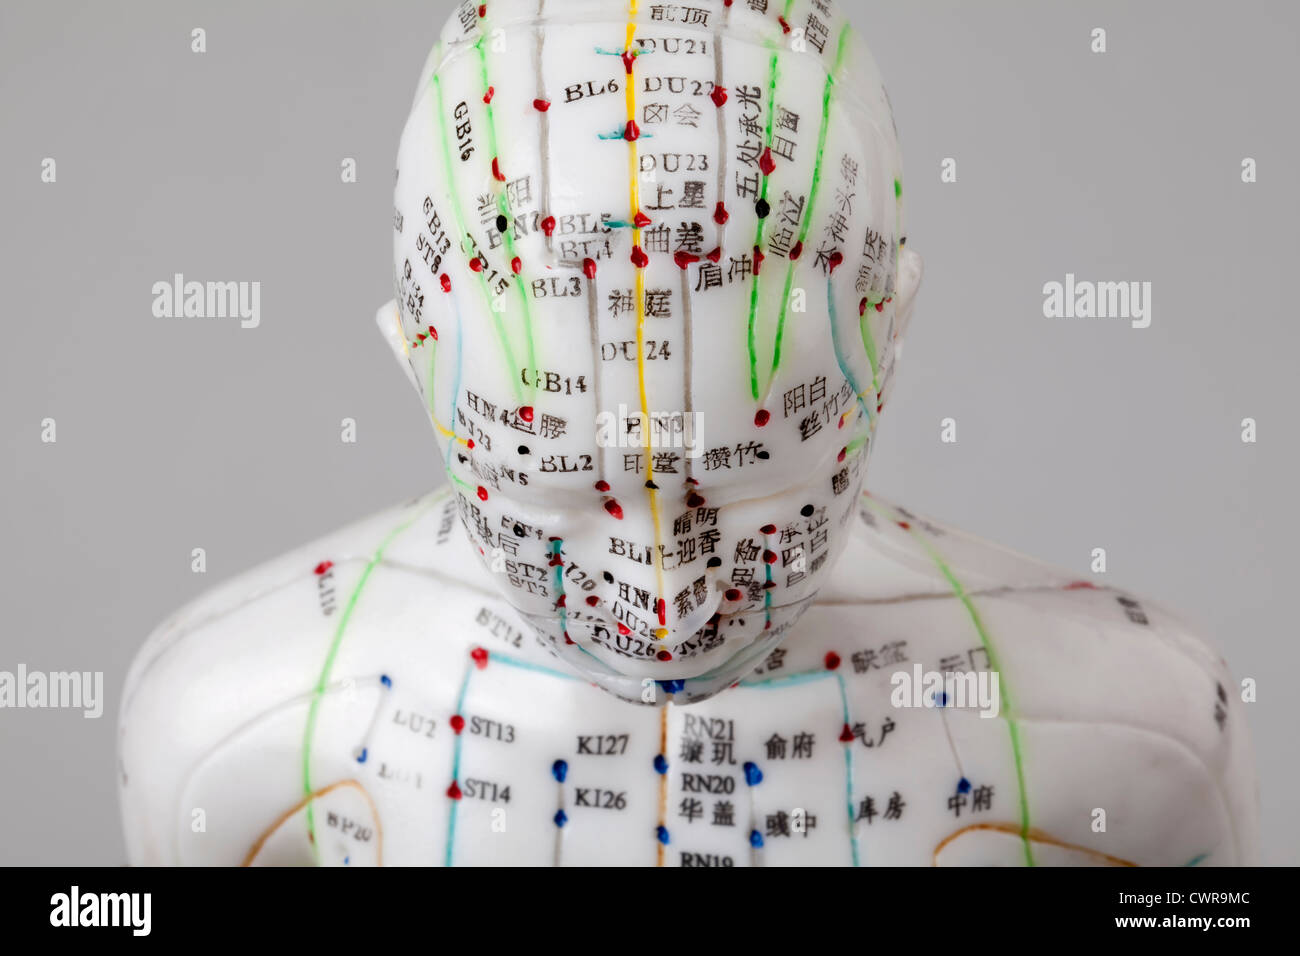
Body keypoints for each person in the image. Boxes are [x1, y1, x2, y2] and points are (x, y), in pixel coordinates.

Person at [119, 0, 1256, 866]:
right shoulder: (218, 726)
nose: (663, 604)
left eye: (755, 479)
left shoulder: (1147, 737)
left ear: (891, 328)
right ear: (413, 362)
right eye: (559, 492)